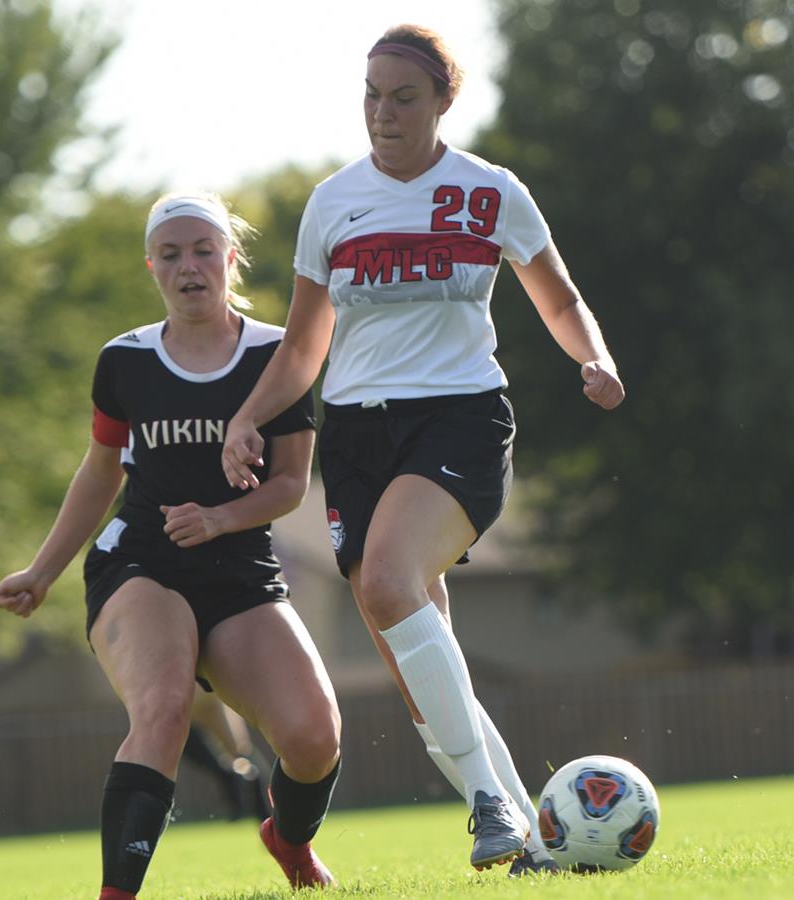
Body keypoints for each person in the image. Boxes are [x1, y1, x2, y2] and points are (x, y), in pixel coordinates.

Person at [221, 23, 625, 876]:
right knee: (418, 653)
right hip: (358, 435)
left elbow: (559, 299)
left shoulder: (491, 191)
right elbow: (302, 348)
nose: (382, 111)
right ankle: (526, 833)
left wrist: (594, 356)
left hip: (459, 420)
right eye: (371, 94)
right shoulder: (333, 203)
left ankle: (487, 804)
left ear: (444, 101)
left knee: (384, 581)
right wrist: (250, 415)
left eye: (402, 96)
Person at [0, 193, 342, 898]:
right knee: (163, 707)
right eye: (171, 254)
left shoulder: (278, 353)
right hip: (141, 563)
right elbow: (97, 473)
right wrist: (43, 570)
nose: (189, 267)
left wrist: (217, 519)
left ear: (230, 258)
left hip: (239, 573)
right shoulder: (125, 361)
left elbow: (293, 486)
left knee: (314, 738)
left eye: (203, 250)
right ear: (152, 266)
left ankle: (289, 842)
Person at [182, 687, 271, 822]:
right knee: (236, 757)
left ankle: (265, 813)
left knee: (240, 755)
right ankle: (230, 781)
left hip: (200, 695)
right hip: (183, 698)